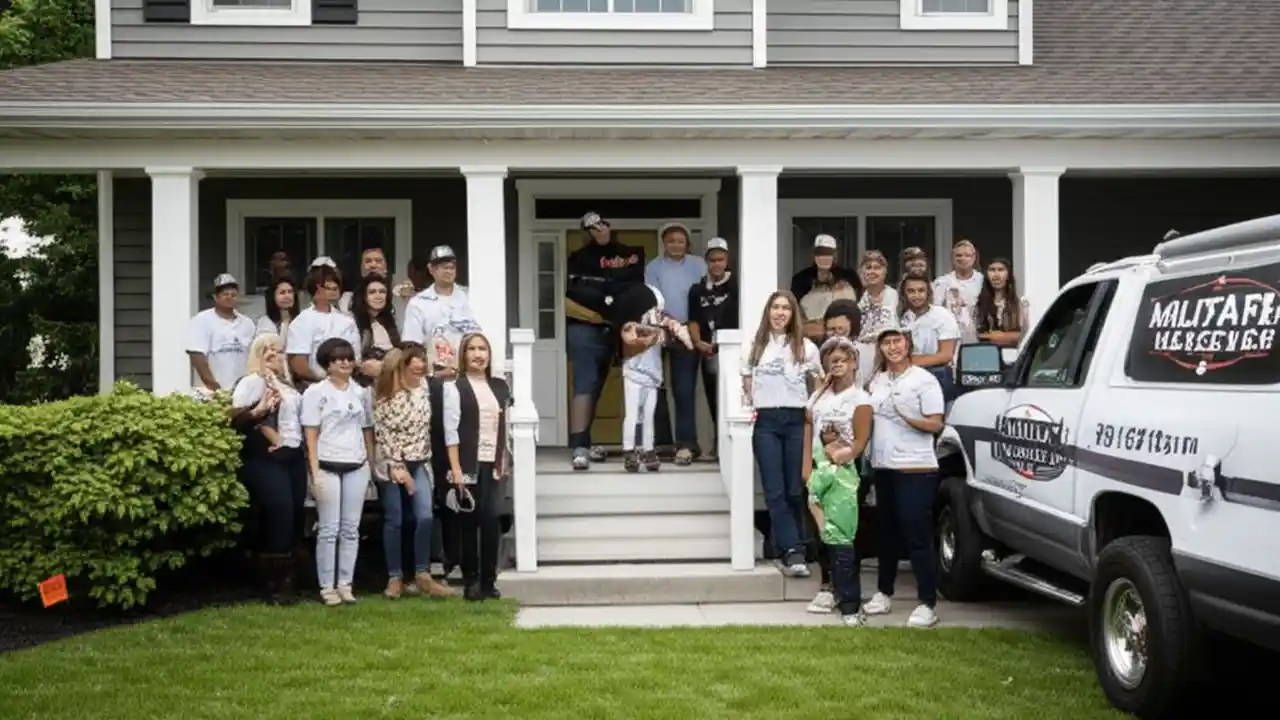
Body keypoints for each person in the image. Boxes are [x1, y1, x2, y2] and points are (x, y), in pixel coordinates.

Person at [862, 327, 946, 628]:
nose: (893, 347)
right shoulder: (877, 380)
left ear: (907, 344)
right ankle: (884, 593)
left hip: (915, 467)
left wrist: (907, 417)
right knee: (887, 533)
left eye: (897, 341)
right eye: (887, 342)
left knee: (917, 533)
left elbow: (936, 425)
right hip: (884, 466)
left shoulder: (924, 380)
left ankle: (927, 602)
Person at [741, 290, 822, 577]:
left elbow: (818, 385)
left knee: (794, 488)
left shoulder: (806, 347)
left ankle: (800, 543)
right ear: (768, 311)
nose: (780, 313)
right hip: (765, 421)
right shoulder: (754, 345)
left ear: (793, 314)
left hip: (796, 418)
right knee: (774, 489)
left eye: (786, 308)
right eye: (775, 307)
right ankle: (793, 550)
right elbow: (746, 383)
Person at [228, 333, 307, 603]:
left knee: (296, 512)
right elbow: (236, 419)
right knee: (280, 511)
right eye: (267, 351)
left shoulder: (289, 385)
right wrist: (261, 409)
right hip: (264, 455)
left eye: (278, 350)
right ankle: (273, 585)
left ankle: (290, 579)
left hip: (293, 454)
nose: (274, 355)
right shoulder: (251, 382)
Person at [564, 211, 646, 470]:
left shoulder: (629, 254)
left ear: (610, 225)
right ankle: (579, 445)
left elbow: (638, 290)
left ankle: (643, 444)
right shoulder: (578, 259)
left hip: (624, 327)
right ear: (585, 232)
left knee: (638, 380)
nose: (598, 230)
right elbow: (568, 299)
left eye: (601, 225)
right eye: (591, 228)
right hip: (585, 327)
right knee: (585, 384)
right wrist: (596, 315)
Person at [372, 345, 454, 600]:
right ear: (400, 367)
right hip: (391, 463)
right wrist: (398, 468)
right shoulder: (382, 396)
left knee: (425, 516)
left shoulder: (425, 388)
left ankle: (422, 574)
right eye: (413, 361)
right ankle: (395, 577)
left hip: (420, 460)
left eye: (422, 359)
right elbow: (383, 434)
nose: (419, 365)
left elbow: (448, 372)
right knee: (395, 519)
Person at [802, 336, 873, 622]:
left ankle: (850, 607)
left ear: (854, 363)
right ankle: (829, 589)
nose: (838, 364)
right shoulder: (819, 396)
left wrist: (840, 458)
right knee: (821, 536)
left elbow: (859, 442)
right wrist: (806, 468)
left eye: (844, 360)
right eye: (833, 360)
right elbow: (808, 428)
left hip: (843, 475)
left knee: (842, 539)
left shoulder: (861, 399)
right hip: (818, 472)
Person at [301, 337, 375, 606]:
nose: (344, 363)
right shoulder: (316, 392)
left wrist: (370, 462)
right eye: (337, 359)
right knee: (329, 529)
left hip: (356, 464)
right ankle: (326, 585)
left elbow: (367, 430)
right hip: (327, 464)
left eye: (348, 358)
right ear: (327, 364)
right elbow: (311, 433)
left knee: (351, 529)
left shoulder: (360, 392)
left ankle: (346, 583)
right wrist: (314, 470)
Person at [443, 333, 512, 601]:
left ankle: (489, 580)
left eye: (482, 348)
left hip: (494, 463)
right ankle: (471, 580)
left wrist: (505, 459)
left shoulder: (500, 385)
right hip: (468, 462)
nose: (477, 354)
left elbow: (506, 426)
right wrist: (456, 469)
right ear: (463, 354)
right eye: (471, 349)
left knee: (492, 518)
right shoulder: (455, 387)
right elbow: (451, 432)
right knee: (469, 521)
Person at [645, 222, 706, 465]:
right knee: (657, 387)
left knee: (684, 389)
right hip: (659, 330)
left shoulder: (698, 265)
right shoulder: (654, 267)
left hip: (688, 331)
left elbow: (703, 295)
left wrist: (690, 329)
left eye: (680, 241)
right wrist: (666, 323)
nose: (676, 245)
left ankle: (687, 444)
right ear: (664, 243)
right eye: (671, 241)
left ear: (687, 243)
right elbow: (653, 298)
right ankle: (662, 443)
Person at [617, 292, 695, 473]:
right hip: (633, 374)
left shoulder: (661, 322)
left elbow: (676, 331)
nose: (656, 312)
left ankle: (648, 449)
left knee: (649, 413)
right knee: (632, 414)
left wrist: (675, 330)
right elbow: (633, 337)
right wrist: (658, 331)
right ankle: (629, 450)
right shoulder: (630, 324)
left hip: (652, 376)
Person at [401, 245, 482, 375]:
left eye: (451, 267)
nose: (448, 271)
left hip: (469, 373)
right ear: (431, 269)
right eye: (443, 267)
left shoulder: (470, 297)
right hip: (435, 376)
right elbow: (412, 346)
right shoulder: (418, 303)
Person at [686, 237, 738, 432]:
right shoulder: (697, 290)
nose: (716, 264)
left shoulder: (737, 286)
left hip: (732, 351)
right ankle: (718, 443)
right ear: (706, 261)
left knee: (731, 397)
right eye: (712, 260)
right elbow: (693, 319)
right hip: (708, 351)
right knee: (713, 398)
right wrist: (698, 342)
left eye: (720, 260)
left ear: (727, 261)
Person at [286, 263, 360, 391]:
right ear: (315, 290)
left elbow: (356, 359)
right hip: (312, 387)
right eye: (327, 288)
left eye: (335, 287)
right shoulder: (301, 322)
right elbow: (299, 366)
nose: (332, 291)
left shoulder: (348, 322)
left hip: (347, 387)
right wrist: (326, 381)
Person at [186, 273, 257, 392]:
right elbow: (197, 356)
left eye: (233, 294)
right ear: (215, 297)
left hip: (241, 392)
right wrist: (213, 386)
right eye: (225, 294)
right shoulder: (201, 320)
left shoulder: (247, 323)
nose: (230, 297)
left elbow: (254, 356)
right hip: (209, 392)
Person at [898, 272, 960, 400]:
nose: (916, 296)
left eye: (921, 291)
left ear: (929, 293)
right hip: (909, 375)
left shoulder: (942, 315)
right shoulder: (904, 318)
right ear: (904, 294)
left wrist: (909, 362)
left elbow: (946, 355)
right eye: (911, 291)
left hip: (938, 375)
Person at [791, 234, 860, 342]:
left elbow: (854, 309)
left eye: (828, 254)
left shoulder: (848, 276)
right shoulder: (800, 279)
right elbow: (794, 310)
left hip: (841, 334)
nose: (824, 258)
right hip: (811, 335)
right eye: (820, 253)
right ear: (814, 256)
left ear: (835, 255)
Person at [853, 251, 899, 387]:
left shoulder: (895, 295)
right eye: (868, 267)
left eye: (877, 267)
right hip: (862, 354)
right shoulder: (858, 296)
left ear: (885, 271)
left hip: (887, 351)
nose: (872, 271)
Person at [351, 273, 401, 387]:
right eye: (372, 292)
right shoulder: (352, 322)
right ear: (363, 296)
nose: (378, 296)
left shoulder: (390, 322)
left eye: (382, 292)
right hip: (362, 383)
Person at [933, 239, 983, 345]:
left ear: (974, 258)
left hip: (977, 339)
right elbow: (935, 311)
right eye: (958, 255)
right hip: (949, 339)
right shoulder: (941, 282)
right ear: (952, 258)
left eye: (967, 255)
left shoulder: (982, 281)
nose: (962, 258)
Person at [976, 257, 1030, 348]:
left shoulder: (1021, 302)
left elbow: (1024, 334)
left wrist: (996, 336)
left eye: (1000, 270)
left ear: (1008, 274)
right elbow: (975, 334)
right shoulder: (978, 303)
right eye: (992, 270)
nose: (996, 275)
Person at [337, 246, 390, 315]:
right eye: (368, 261)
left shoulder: (398, 296)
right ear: (361, 269)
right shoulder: (347, 300)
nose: (373, 265)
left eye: (378, 261)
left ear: (386, 268)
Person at [256, 275, 298, 343]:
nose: (287, 296)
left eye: (290, 292)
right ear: (273, 297)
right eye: (282, 293)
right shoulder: (265, 323)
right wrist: (284, 324)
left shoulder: (300, 320)